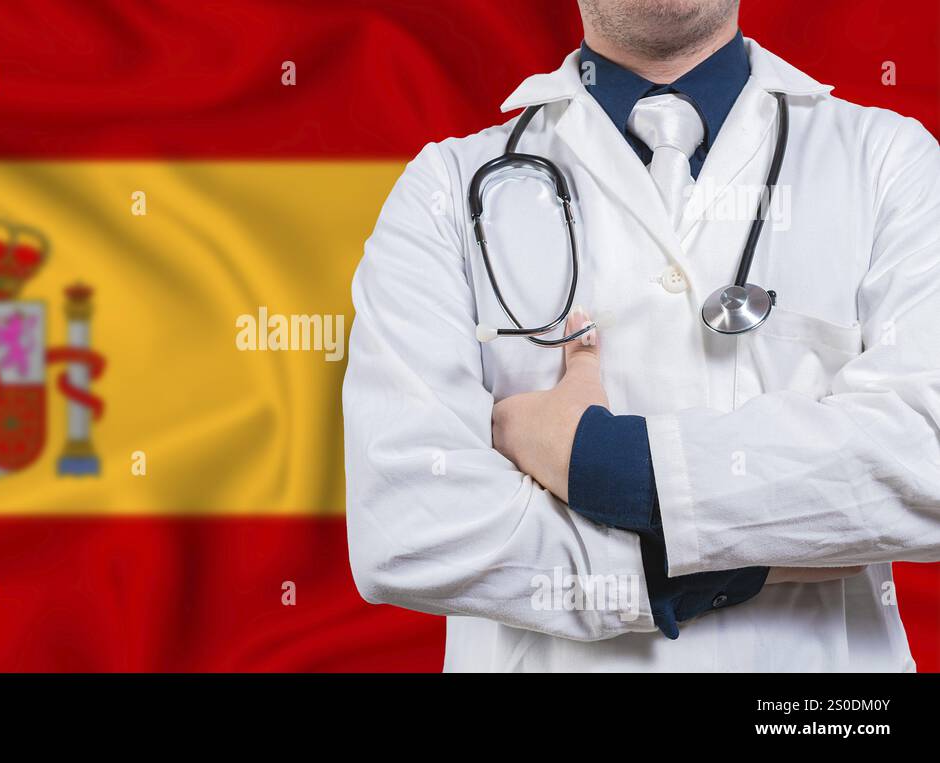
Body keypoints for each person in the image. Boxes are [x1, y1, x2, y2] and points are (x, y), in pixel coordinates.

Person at [342, 0, 940, 671]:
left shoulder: (892, 163)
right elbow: (406, 525)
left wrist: (596, 459)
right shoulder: (445, 193)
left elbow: (928, 455)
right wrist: (702, 570)